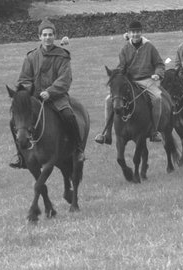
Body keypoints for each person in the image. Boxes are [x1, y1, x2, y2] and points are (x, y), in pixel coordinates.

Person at [13, 18, 83, 166]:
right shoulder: (31, 57)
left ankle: (78, 150)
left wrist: (50, 92)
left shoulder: (63, 56)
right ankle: (21, 156)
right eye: (44, 35)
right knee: (14, 121)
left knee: (69, 115)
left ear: (55, 36)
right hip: (35, 98)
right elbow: (23, 79)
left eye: (50, 34)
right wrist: (29, 91)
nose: (47, 37)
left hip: (56, 97)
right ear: (39, 37)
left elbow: (65, 79)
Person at [94, 19, 165, 145]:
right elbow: (122, 67)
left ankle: (154, 131)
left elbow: (159, 64)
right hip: (130, 81)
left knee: (157, 98)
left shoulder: (150, 47)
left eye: (137, 32)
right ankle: (107, 133)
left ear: (141, 32)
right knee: (108, 100)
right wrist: (117, 76)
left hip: (147, 80)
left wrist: (157, 74)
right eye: (133, 32)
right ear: (129, 33)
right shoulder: (125, 49)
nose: (135, 34)